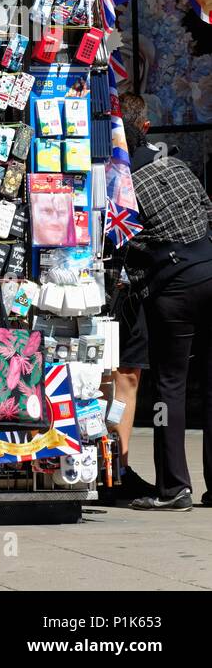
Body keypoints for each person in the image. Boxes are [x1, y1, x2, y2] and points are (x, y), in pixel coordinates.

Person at [124, 147, 212, 511]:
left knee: (168, 387)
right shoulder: (177, 165)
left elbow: (128, 241)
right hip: (209, 268)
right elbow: (207, 208)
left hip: (172, 290)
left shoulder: (125, 188)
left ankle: (174, 487)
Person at [100, 93, 161, 503]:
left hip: (109, 283)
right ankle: (115, 466)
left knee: (115, 376)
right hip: (125, 287)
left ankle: (113, 465)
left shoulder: (113, 164)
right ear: (144, 128)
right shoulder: (147, 165)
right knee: (122, 377)